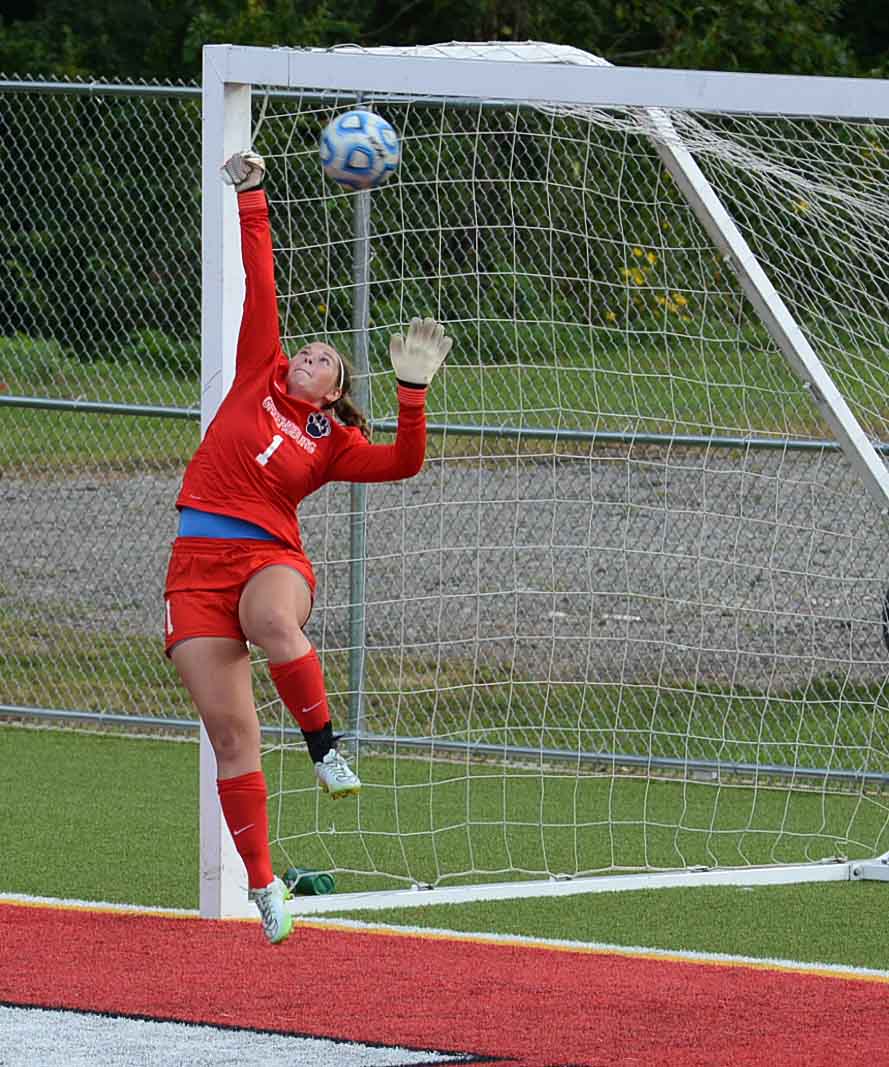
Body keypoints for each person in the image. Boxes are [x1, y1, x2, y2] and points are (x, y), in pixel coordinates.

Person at [163, 149, 453, 945]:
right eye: (308, 349)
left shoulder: (330, 440)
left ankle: (327, 751)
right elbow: (262, 282)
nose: (309, 353)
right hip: (194, 569)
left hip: (269, 559)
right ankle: (262, 885)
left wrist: (413, 394)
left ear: (334, 389)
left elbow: (403, 462)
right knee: (231, 735)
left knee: (271, 622)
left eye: (324, 358)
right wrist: (251, 191)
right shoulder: (258, 373)